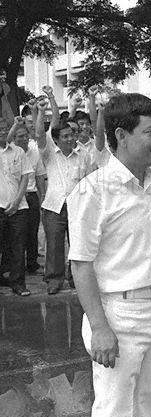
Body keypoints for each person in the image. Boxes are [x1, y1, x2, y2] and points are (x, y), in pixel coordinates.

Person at [67, 93, 151, 417]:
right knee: (113, 415)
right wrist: (100, 327)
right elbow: (81, 264)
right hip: (120, 315)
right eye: (150, 132)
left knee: (146, 407)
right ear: (121, 136)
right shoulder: (93, 191)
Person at [35, 88, 91, 294]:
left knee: (77, 245)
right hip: (54, 206)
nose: (70, 138)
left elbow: (88, 181)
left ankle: (75, 277)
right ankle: (54, 279)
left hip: (78, 206)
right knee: (55, 245)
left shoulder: (83, 155)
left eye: (72, 135)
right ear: (56, 139)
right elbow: (39, 134)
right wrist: (42, 110)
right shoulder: (49, 153)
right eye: (65, 136)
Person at [6, 116, 46, 275]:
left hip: (31, 196)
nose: (24, 138)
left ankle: (32, 263)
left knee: (32, 232)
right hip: (15, 198)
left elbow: (39, 175)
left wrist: (42, 195)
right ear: (14, 139)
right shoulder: (9, 152)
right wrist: (15, 125)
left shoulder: (35, 152)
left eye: (26, 135)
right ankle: (13, 266)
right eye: (20, 136)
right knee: (15, 235)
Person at [0, 118, 33, 296]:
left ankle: (18, 282)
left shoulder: (18, 152)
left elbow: (25, 177)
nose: (3, 132)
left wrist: (17, 201)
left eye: (5, 128)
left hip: (19, 207)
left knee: (18, 247)